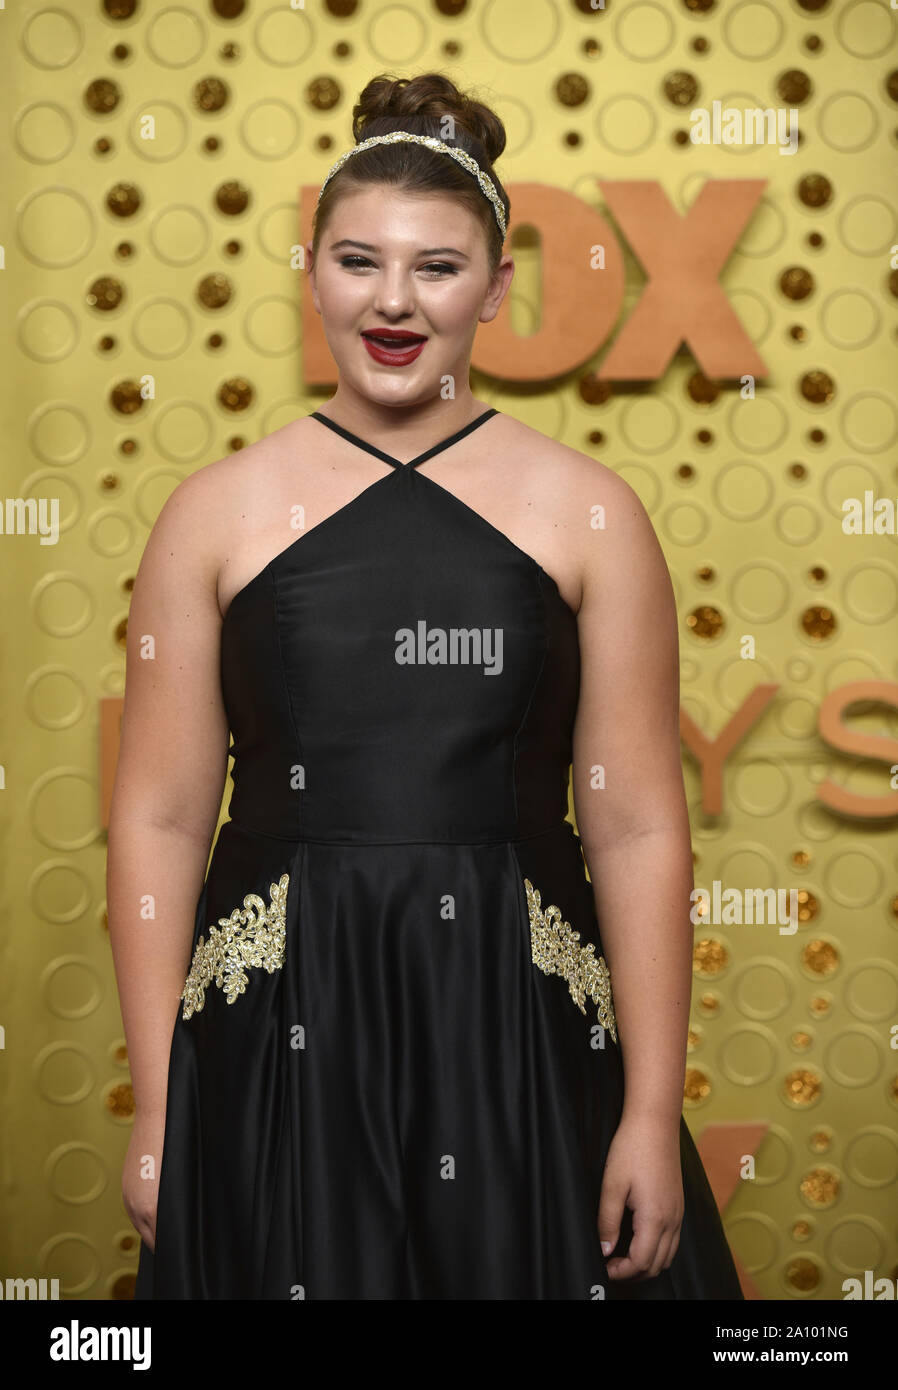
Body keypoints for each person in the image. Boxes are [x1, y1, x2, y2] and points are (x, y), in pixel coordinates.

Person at [109, 71, 744, 1300]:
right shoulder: (214, 514)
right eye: (358, 260)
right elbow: (161, 817)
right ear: (313, 273)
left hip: (514, 1018)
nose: (393, 301)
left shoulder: (592, 515)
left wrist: (649, 1112)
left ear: (498, 288)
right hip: (282, 1018)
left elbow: (634, 822)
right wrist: (161, 1101)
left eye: (437, 269)